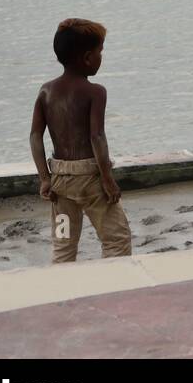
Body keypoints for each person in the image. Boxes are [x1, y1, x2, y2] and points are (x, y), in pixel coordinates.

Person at [29, 17, 132, 262]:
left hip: (60, 180)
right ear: (87, 57)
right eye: (100, 52)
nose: (101, 57)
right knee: (116, 239)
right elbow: (96, 136)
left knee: (63, 244)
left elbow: (35, 136)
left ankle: (62, 292)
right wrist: (107, 178)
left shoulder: (46, 91)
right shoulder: (95, 92)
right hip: (91, 181)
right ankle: (116, 287)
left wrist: (45, 178)